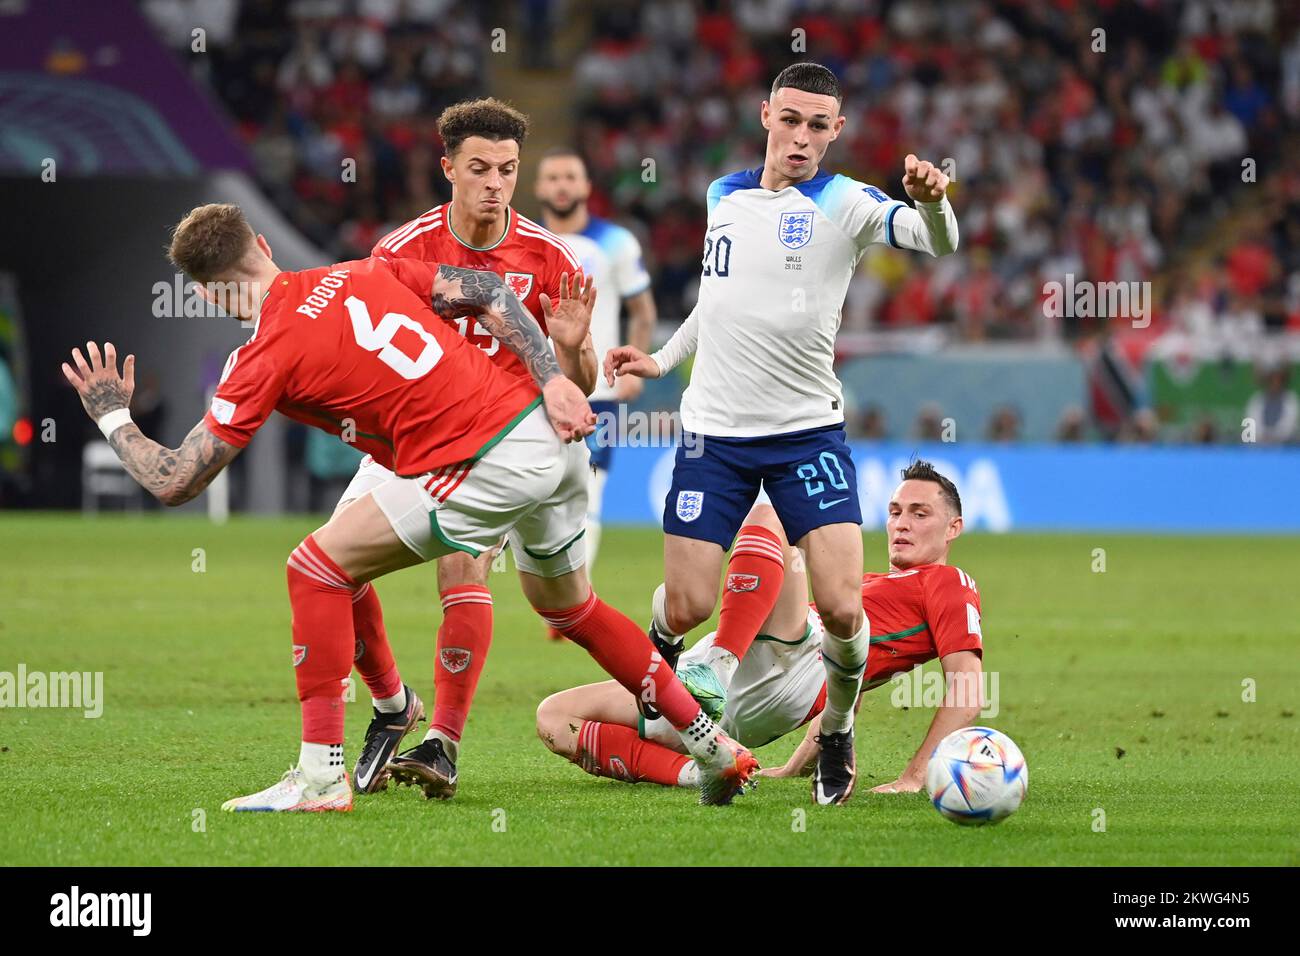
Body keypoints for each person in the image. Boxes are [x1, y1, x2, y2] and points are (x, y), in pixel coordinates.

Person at [61, 203, 758, 812]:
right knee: (570, 608)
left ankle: (321, 777)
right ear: (265, 248)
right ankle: (711, 743)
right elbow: (485, 288)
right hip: (548, 432)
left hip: (483, 461)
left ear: (210, 296)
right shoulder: (361, 271)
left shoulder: (262, 354)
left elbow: (177, 478)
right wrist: (552, 378)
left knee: (315, 570)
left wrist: (112, 416)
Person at [604, 62, 960, 804]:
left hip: (806, 436)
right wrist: (663, 357)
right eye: (791, 119)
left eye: (818, 125)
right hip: (713, 432)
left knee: (840, 608)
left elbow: (939, 245)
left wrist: (933, 205)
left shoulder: (847, 201)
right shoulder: (722, 196)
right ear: (766, 115)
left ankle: (835, 729)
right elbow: (718, 299)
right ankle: (664, 653)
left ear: (837, 131)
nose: (801, 138)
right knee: (686, 603)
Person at [344, 99, 599, 789]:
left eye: (509, 170)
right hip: (413, 436)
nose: (495, 182)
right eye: (480, 168)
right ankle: (394, 705)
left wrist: (572, 349)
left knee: (479, 573)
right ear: (448, 166)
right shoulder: (401, 252)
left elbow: (583, 381)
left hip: (503, 445)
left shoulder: (549, 258)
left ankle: (442, 745)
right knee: (329, 569)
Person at [536, 461, 985, 800]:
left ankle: (718, 667)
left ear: (954, 528)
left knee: (773, 517)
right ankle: (706, 766)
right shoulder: (868, 590)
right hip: (772, 670)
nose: (902, 522)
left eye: (920, 513)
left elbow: (967, 688)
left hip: (788, 665)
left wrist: (915, 777)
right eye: (895, 510)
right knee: (554, 718)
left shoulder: (948, 582)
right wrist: (794, 767)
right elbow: (851, 686)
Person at [534, 147, 657, 576]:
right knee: (521, 488)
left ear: (586, 186)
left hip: (596, 392)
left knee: (590, 493)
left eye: (570, 176)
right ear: (538, 187)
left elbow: (643, 312)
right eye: (552, 177)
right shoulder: (525, 243)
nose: (561, 185)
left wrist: (634, 368)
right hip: (530, 390)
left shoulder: (616, 242)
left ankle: (576, 591)